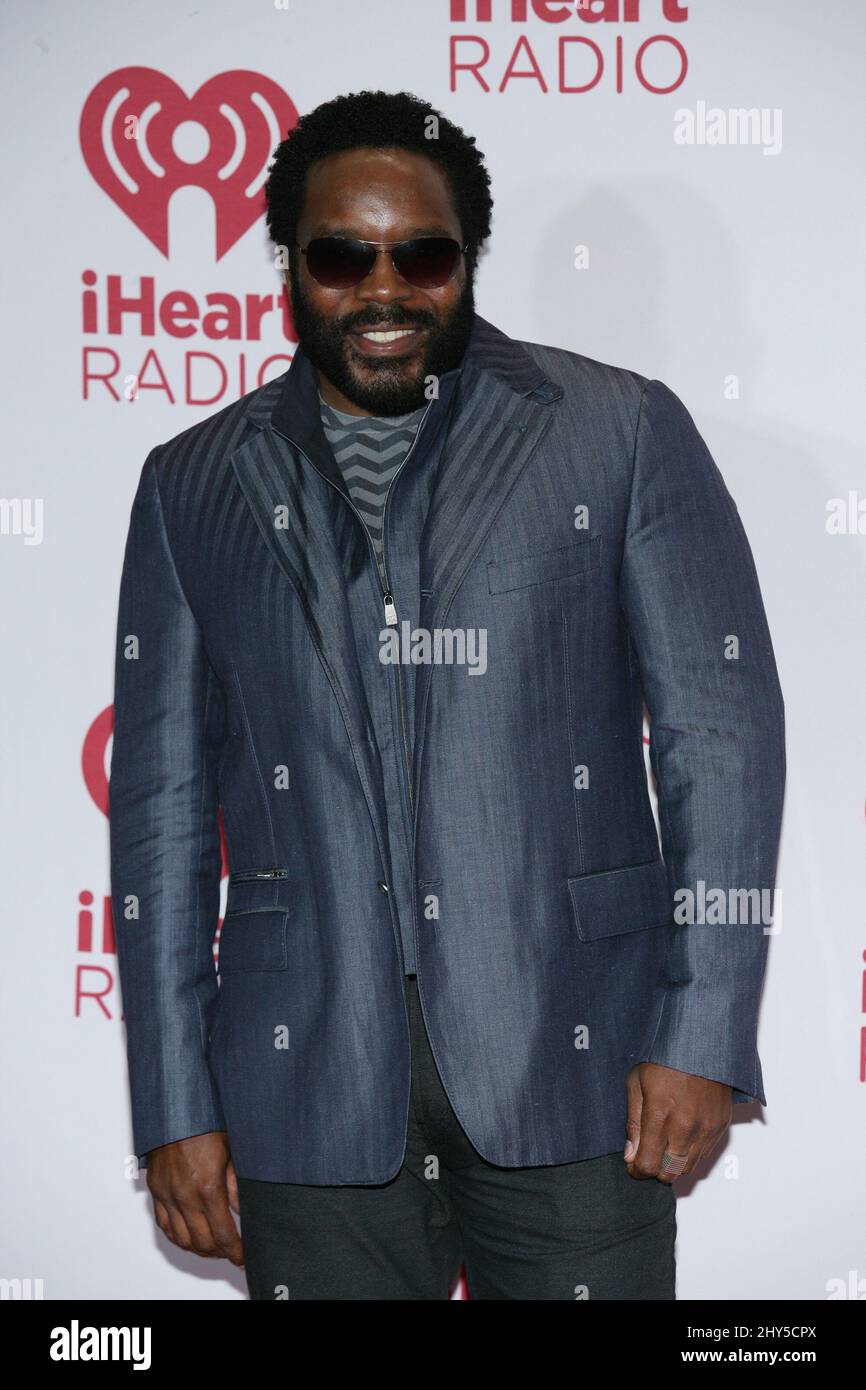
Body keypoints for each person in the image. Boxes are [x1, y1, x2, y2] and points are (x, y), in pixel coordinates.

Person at [109, 89, 785, 1300]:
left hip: (576, 1059)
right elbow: (156, 813)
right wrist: (172, 1102)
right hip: (303, 1075)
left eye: (421, 254)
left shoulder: (613, 431)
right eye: (339, 255)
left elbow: (719, 737)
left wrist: (701, 1032)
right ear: (289, 263)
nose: (384, 290)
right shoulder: (190, 485)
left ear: (466, 259)